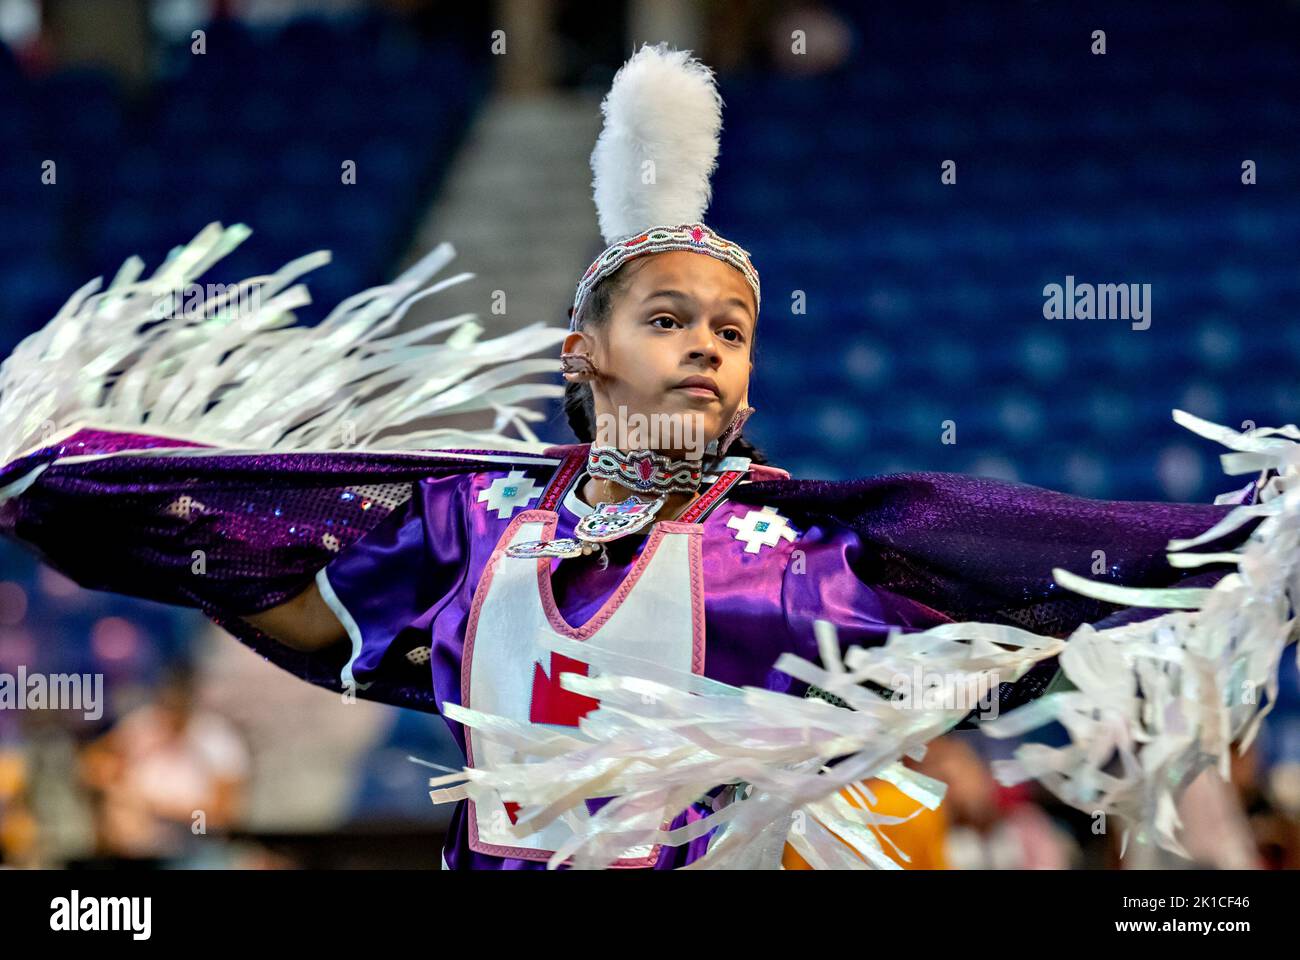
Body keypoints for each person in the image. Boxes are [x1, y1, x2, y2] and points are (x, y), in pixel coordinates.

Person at [0, 44, 1290, 870]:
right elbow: (216, 524)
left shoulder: (812, 548)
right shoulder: (468, 525)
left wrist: (1259, 531)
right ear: (583, 354)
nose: (705, 350)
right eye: (666, 321)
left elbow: (1074, 541)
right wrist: (42, 480)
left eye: (730, 331)